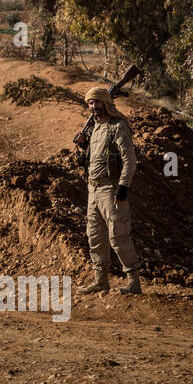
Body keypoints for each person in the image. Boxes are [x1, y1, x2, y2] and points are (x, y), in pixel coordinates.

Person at [77, 85, 141, 294]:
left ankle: (133, 281)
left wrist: (123, 186)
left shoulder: (118, 126)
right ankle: (100, 280)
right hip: (93, 189)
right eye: (90, 103)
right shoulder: (95, 128)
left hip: (110, 189)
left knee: (118, 235)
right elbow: (94, 159)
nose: (93, 106)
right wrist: (84, 149)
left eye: (96, 102)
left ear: (106, 102)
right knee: (94, 237)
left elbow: (129, 160)